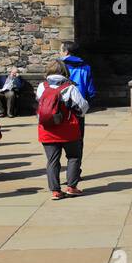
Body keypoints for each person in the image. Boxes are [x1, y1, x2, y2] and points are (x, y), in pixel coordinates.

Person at [37, 60, 88, 198]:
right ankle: (71, 187)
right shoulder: (70, 88)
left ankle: (55, 191)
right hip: (68, 130)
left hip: (47, 130)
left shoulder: (42, 86)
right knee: (73, 157)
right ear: (65, 72)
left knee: (52, 160)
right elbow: (83, 107)